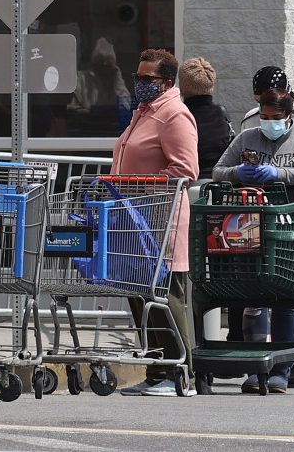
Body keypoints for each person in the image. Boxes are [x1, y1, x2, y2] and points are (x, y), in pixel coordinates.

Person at [211, 88, 294, 393]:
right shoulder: (247, 137)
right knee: (253, 297)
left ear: (289, 118)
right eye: (264, 117)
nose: (270, 123)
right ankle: (255, 366)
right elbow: (218, 170)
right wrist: (240, 171)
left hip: (291, 226)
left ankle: (281, 368)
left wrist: (279, 173)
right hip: (251, 227)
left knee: (286, 299)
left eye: (276, 118)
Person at [111, 48, 198, 396]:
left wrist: (139, 187)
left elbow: (185, 170)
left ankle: (181, 373)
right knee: (139, 293)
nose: (140, 84)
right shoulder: (144, 113)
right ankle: (156, 370)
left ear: (165, 82)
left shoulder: (174, 115)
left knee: (165, 295)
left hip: (160, 218)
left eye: (147, 79)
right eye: (137, 77)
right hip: (134, 219)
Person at [178, 57, 233, 178]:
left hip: (188, 182)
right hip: (220, 181)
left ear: (182, 88)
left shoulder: (179, 116)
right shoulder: (221, 113)